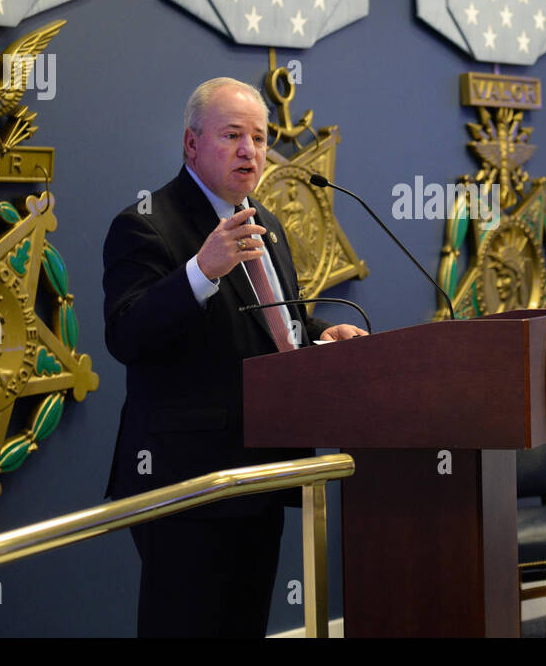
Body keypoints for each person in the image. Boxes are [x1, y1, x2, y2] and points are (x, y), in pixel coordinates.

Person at [102, 77, 366, 637]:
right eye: (232, 135)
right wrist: (201, 271)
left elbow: (271, 321)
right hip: (186, 480)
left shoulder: (266, 223)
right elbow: (126, 333)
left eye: (259, 137)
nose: (250, 150)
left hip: (260, 471)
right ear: (191, 144)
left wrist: (321, 336)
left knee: (245, 625)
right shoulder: (145, 223)